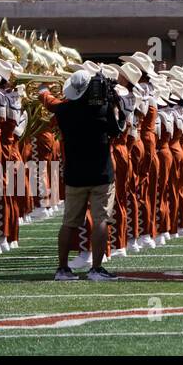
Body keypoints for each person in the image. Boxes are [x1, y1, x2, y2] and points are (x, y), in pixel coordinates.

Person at [43, 70, 122, 281]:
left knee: (69, 221)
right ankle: (96, 268)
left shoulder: (63, 110)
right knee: (101, 220)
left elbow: (50, 103)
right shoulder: (104, 108)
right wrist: (115, 102)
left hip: (75, 173)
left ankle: (62, 269)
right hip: (101, 172)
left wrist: (43, 90)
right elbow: (117, 131)